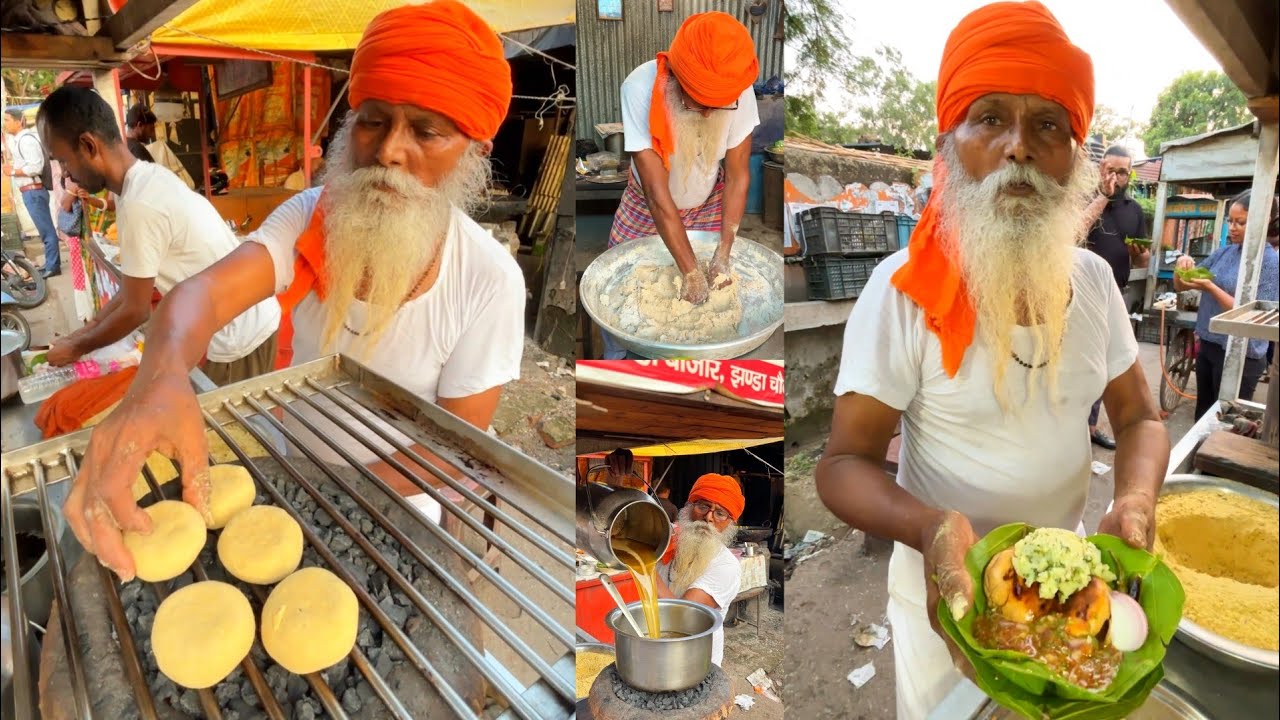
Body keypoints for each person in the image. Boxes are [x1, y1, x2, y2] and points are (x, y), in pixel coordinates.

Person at [57, 0, 525, 583]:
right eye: (374, 120)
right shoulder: (312, 216)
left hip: (398, 512)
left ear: (474, 153)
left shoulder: (489, 281)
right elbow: (200, 296)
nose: (389, 152)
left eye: (426, 131)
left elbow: (453, 448)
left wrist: (319, 499)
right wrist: (165, 374)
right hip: (289, 471)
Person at [813, 4, 1169, 718]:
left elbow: (1139, 417)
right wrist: (929, 529)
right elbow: (841, 466)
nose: (1019, 149)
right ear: (952, 143)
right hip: (940, 597)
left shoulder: (1094, 282)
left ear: (1076, 158)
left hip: (1061, 588)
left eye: (1047, 125)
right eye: (990, 119)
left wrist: (1133, 497)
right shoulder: (903, 292)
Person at [37, 87, 280, 382]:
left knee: (231, 423)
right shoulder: (144, 181)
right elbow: (129, 293)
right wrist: (83, 333)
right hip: (242, 319)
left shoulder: (139, 202)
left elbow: (136, 310)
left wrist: (77, 347)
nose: (65, 173)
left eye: (63, 160)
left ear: (89, 146)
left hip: (242, 335)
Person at [601, 12, 760, 357]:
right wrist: (690, 273)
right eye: (698, 103)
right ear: (674, 78)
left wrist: (723, 253)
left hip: (707, 205)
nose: (706, 114)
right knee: (621, 306)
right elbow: (658, 197)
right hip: (647, 208)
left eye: (717, 107)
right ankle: (616, 369)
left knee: (701, 344)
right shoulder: (640, 88)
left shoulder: (739, 91)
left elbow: (737, 176)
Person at [1175, 189, 1280, 418]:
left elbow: (1252, 317)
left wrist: (1211, 287)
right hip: (1210, 345)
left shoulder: (1271, 264)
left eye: (1240, 222)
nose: (1232, 227)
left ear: (1264, 221)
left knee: (1226, 420)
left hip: (1242, 355)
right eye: (1230, 221)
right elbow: (1182, 285)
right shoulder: (1226, 253)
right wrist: (1181, 266)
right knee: (1203, 415)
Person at [1082, 144, 1150, 449]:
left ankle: (1092, 426)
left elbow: (1143, 262)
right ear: (1101, 169)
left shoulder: (1134, 210)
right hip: (1082, 294)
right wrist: (1103, 197)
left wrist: (1141, 253)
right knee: (1081, 361)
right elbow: (1072, 235)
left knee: (1108, 363)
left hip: (1117, 295)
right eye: (1111, 170)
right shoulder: (1084, 199)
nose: (1117, 177)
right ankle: (1074, 426)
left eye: (1123, 172)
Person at [655, 473, 744, 667]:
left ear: (730, 523)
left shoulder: (726, 566)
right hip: (655, 644)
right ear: (689, 507)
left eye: (720, 513)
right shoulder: (669, 537)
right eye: (702, 505)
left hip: (694, 661)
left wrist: (645, 570)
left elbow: (682, 615)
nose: (708, 517)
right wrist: (617, 481)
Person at [3, 107, 62, 278]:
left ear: (18, 121)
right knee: (44, 230)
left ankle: (53, 266)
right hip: (31, 192)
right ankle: (51, 264)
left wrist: (13, 171)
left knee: (46, 230)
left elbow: (35, 166)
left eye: (7, 120)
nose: (5, 124)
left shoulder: (26, 140)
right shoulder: (20, 140)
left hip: (34, 191)